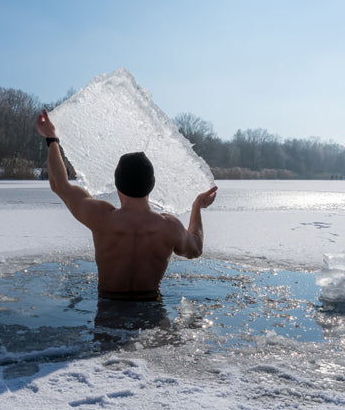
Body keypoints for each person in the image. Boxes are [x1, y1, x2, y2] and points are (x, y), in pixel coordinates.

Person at [35, 109, 217, 301]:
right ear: (151, 185)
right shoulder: (169, 227)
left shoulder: (101, 217)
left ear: (117, 184)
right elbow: (195, 249)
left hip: (109, 310)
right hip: (150, 311)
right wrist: (197, 206)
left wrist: (51, 139)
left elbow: (59, 185)